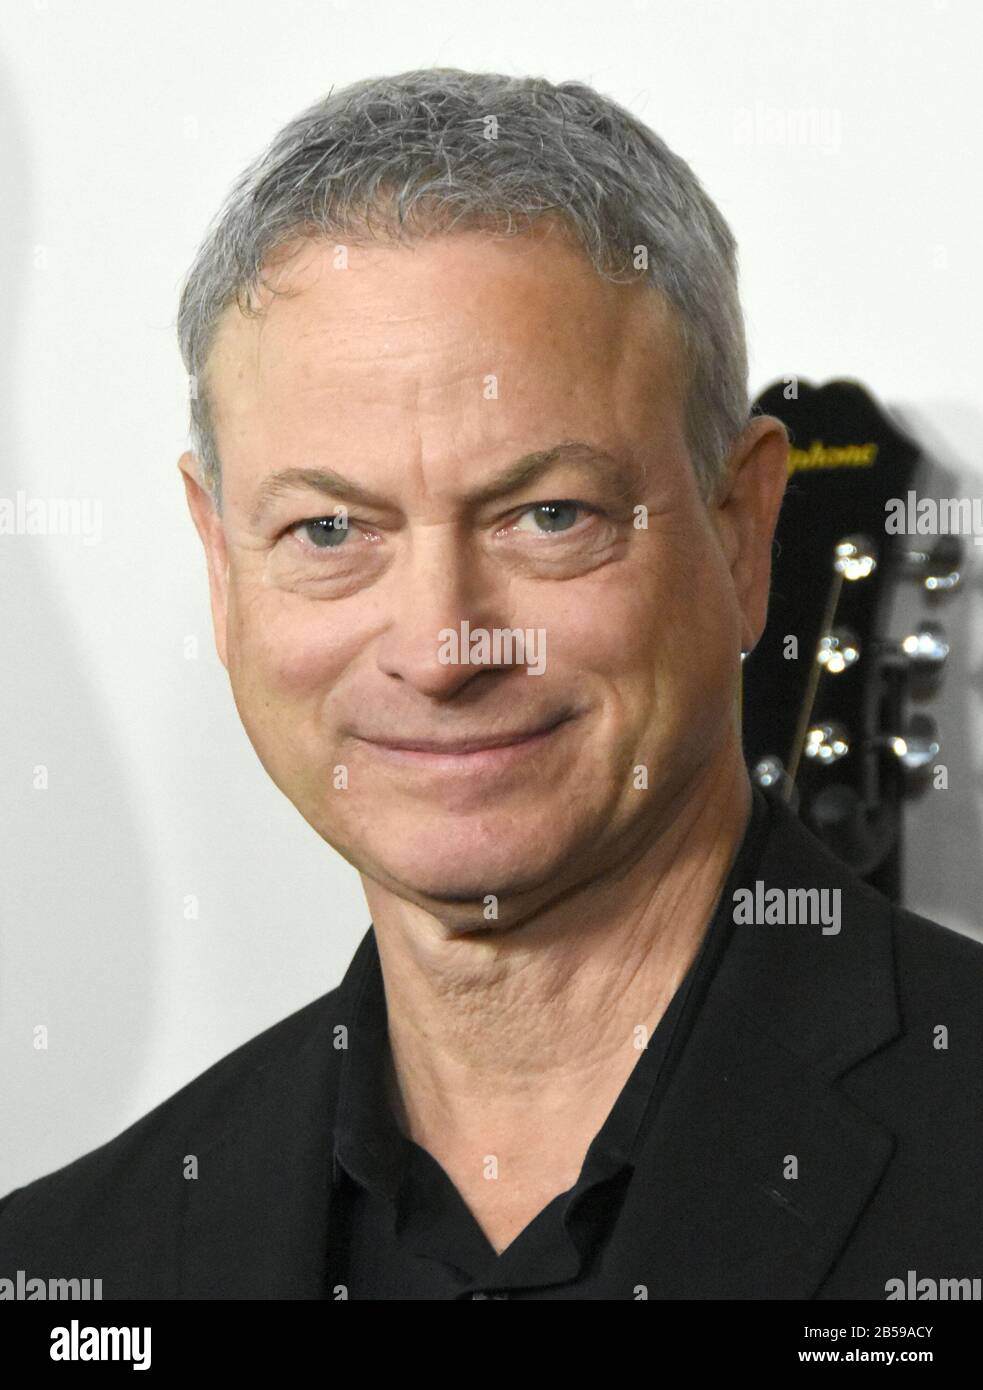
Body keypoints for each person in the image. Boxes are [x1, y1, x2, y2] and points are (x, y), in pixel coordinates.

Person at [2, 67, 981, 1301]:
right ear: (218, 561)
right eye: (326, 530)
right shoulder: (69, 1268)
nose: (440, 647)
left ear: (740, 527)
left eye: (546, 515)